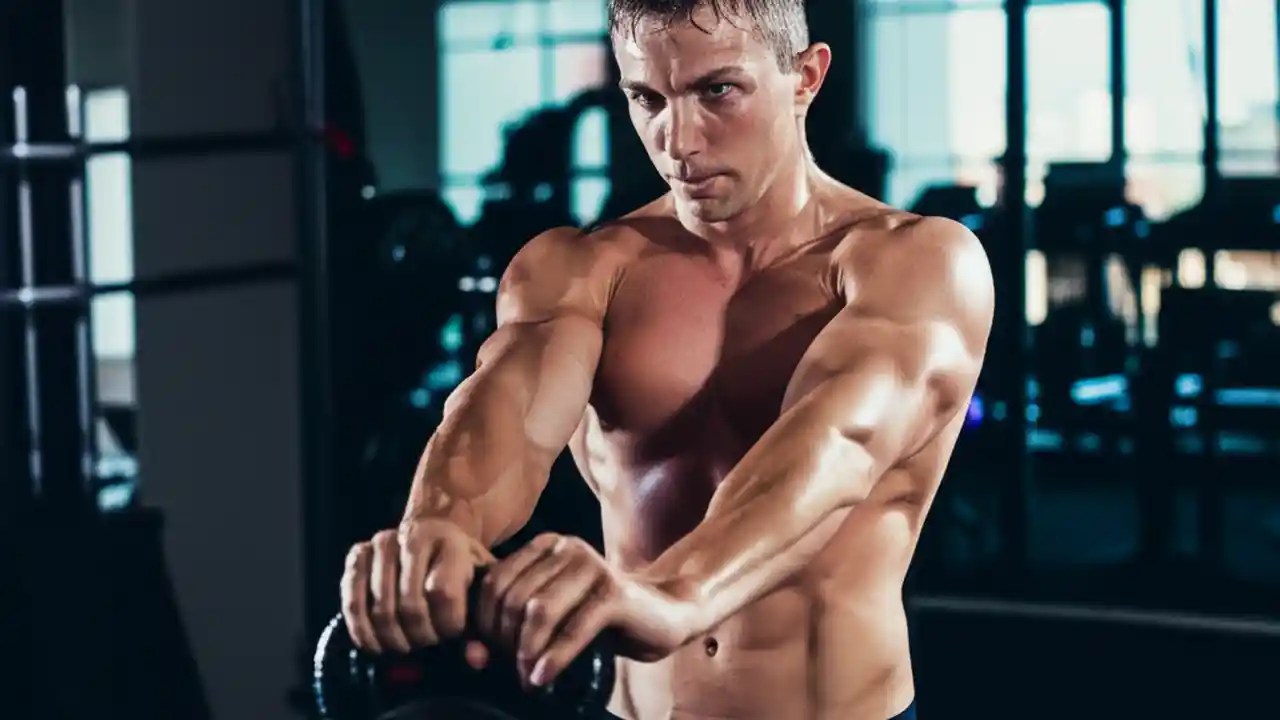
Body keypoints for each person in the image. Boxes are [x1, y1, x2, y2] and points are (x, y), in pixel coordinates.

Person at [340, 1, 994, 718]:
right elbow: (511, 414)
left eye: (718, 91)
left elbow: (841, 445)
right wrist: (440, 524)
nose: (677, 139)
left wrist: (677, 594)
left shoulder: (915, 263)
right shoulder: (582, 268)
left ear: (805, 77)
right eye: (646, 98)